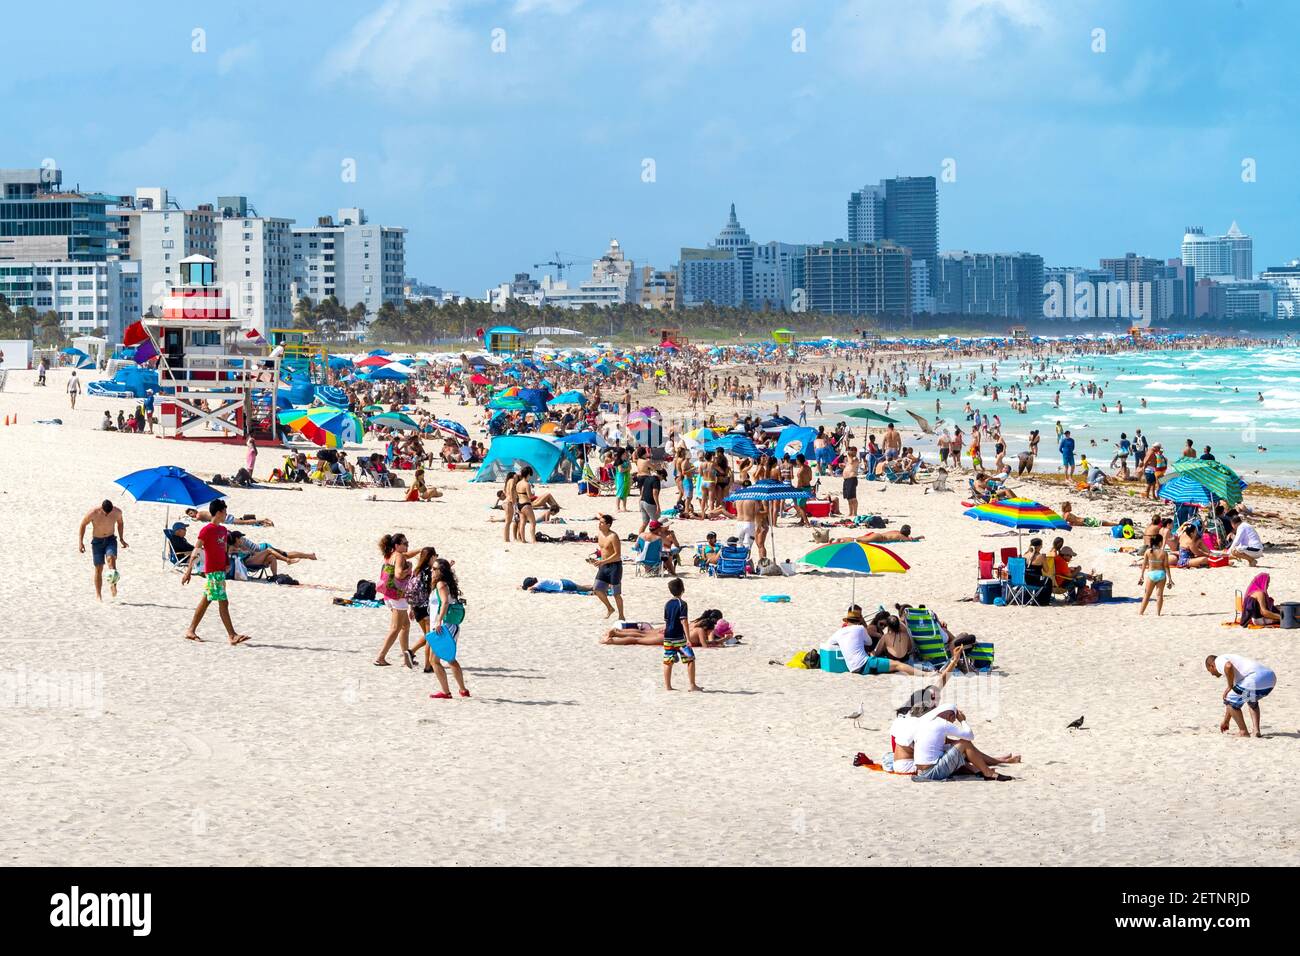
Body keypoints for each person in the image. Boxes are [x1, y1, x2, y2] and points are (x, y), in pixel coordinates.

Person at [181, 499, 249, 644]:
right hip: (212, 571)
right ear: (218, 513)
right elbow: (197, 549)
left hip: (220, 570)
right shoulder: (207, 530)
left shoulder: (223, 530)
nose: (226, 514)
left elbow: (223, 549)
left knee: (206, 600)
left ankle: (191, 630)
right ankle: (232, 635)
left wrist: (226, 563)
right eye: (225, 512)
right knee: (223, 602)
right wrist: (188, 570)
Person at [910, 704, 1018, 782]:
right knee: (965, 743)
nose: (953, 722)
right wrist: (962, 720)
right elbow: (969, 736)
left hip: (921, 771)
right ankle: (988, 772)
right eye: (954, 719)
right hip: (932, 772)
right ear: (951, 716)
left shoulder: (925, 722)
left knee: (960, 746)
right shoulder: (942, 723)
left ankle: (990, 763)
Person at [822, 609, 918, 676]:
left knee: (894, 664)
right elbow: (869, 642)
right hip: (866, 664)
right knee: (897, 665)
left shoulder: (839, 632)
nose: (883, 626)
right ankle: (924, 674)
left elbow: (828, 644)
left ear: (847, 621)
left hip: (854, 667)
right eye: (881, 624)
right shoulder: (861, 628)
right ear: (859, 621)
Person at [427, 559, 470, 699]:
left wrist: (439, 620)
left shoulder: (440, 584)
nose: (432, 571)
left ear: (441, 572)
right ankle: (463, 690)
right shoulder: (446, 582)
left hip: (444, 625)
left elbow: (445, 602)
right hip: (448, 625)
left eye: (435, 569)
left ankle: (447, 692)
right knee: (449, 658)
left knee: (435, 660)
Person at [1206, 653, 1276, 737]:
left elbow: (1228, 666)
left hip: (1255, 678)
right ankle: (1256, 730)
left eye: (1209, 671)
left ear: (1212, 666)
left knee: (1229, 698)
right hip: (1271, 679)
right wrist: (1226, 721)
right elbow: (1233, 703)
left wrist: (1229, 686)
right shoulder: (1236, 670)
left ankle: (1243, 732)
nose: (1212, 674)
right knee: (1250, 700)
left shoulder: (1218, 661)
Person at [374, 532, 413, 667]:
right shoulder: (399, 556)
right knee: (395, 628)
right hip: (398, 596)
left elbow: (406, 555)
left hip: (388, 595)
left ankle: (406, 658)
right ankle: (380, 657)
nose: (408, 546)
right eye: (405, 544)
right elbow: (398, 574)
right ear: (397, 545)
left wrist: (419, 551)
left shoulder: (390, 554)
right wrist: (409, 571)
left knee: (405, 625)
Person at [78, 499, 128, 600]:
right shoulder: (93, 513)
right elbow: (83, 524)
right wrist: (80, 542)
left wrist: (121, 538)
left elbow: (120, 523)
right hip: (97, 542)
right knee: (98, 568)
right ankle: (98, 595)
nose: (107, 515)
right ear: (101, 508)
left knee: (111, 561)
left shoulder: (117, 512)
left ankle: (113, 585)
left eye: (109, 513)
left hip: (110, 539)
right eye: (106, 513)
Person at [662, 577, 700, 691]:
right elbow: (684, 621)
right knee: (690, 658)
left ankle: (668, 686)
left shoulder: (667, 604)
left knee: (668, 660)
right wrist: (688, 638)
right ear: (683, 590)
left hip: (668, 636)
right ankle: (692, 685)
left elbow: (666, 620)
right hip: (679, 638)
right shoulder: (682, 604)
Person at [589, 513, 625, 619]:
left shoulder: (613, 536)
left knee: (616, 593)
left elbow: (617, 555)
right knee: (597, 589)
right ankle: (610, 608)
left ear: (608, 525)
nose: (599, 525)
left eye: (602, 523)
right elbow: (603, 550)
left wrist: (602, 562)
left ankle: (621, 616)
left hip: (615, 567)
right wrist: (598, 560)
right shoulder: (600, 534)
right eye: (599, 522)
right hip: (603, 565)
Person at [1138, 533, 1174, 615]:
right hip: (1161, 574)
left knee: (1147, 595)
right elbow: (1166, 566)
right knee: (1159, 595)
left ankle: (1141, 612)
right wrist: (1170, 579)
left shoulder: (1148, 551)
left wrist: (1142, 575)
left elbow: (1144, 564)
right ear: (1160, 542)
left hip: (1151, 574)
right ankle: (1158, 613)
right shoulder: (1164, 553)